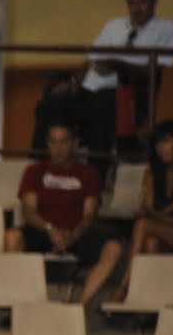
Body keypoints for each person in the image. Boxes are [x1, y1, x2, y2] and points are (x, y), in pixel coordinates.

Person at [32, 0, 173, 164]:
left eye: (143, 2)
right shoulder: (114, 25)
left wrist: (117, 64)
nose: (137, 9)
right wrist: (73, 82)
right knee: (52, 102)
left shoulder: (165, 27)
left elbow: (156, 68)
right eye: (132, 3)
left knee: (104, 101)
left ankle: (96, 170)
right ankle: (36, 164)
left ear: (154, 2)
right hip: (88, 90)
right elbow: (92, 58)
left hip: (126, 93)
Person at [99, 118, 173, 305]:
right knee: (151, 241)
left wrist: (155, 216)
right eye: (157, 144)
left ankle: (124, 287)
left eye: (166, 142)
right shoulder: (152, 173)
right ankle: (149, 299)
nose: (161, 149)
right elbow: (150, 207)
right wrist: (165, 212)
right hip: (161, 232)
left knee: (144, 225)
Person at [7, 124, 124, 306]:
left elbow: (89, 215)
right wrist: (50, 229)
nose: (58, 148)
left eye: (63, 142)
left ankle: (80, 307)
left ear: (74, 143)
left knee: (114, 248)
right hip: (43, 230)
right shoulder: (34, 172)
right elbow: (29, 211)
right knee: (12, 237)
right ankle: (18, 303)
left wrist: (74, 235)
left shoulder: (88, 174)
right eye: (53, 142)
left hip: (77, 233)